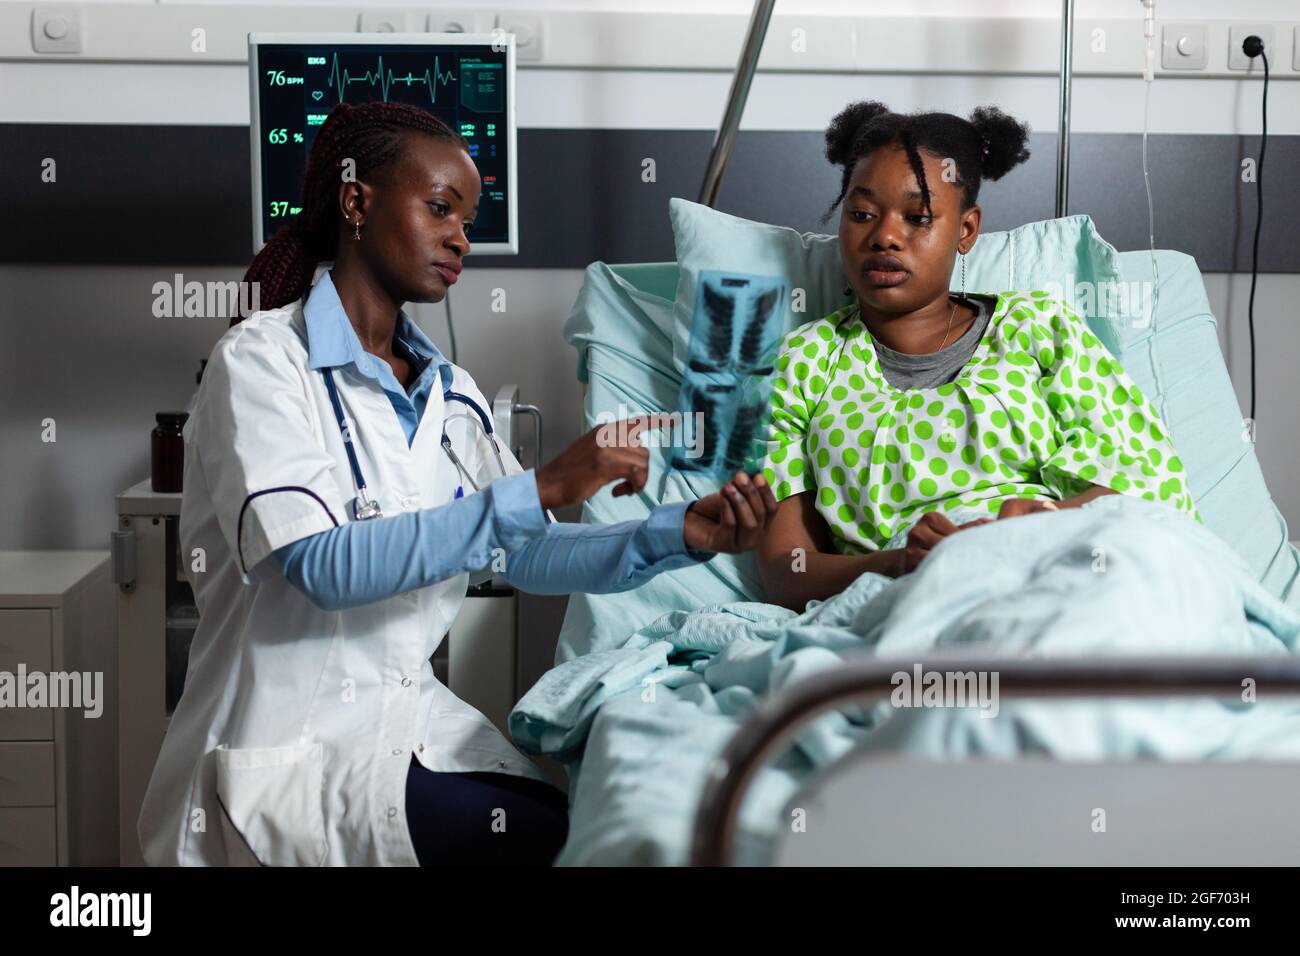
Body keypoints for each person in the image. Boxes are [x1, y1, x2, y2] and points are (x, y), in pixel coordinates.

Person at [138, 100, 777, 867]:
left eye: (468, 219)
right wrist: (542, 483)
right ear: (355, 201)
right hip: (287, 754)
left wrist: (677, 534)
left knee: (574, 831)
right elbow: (320, 568)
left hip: (402, 731)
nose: (460, 239)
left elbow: (526, 556)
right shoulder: (263, 361)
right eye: (440, 208)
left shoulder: (452, 394)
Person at [757, 101, 1197, 611]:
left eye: (918, 217)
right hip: (910, 603)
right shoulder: (804, 362)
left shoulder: (1040, 329)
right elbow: (784, 572)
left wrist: (1035, 525)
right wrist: (900, 565)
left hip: (1066, 577)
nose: (885, 236)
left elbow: (1149, 492)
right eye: (861, 214)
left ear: (965, 231)